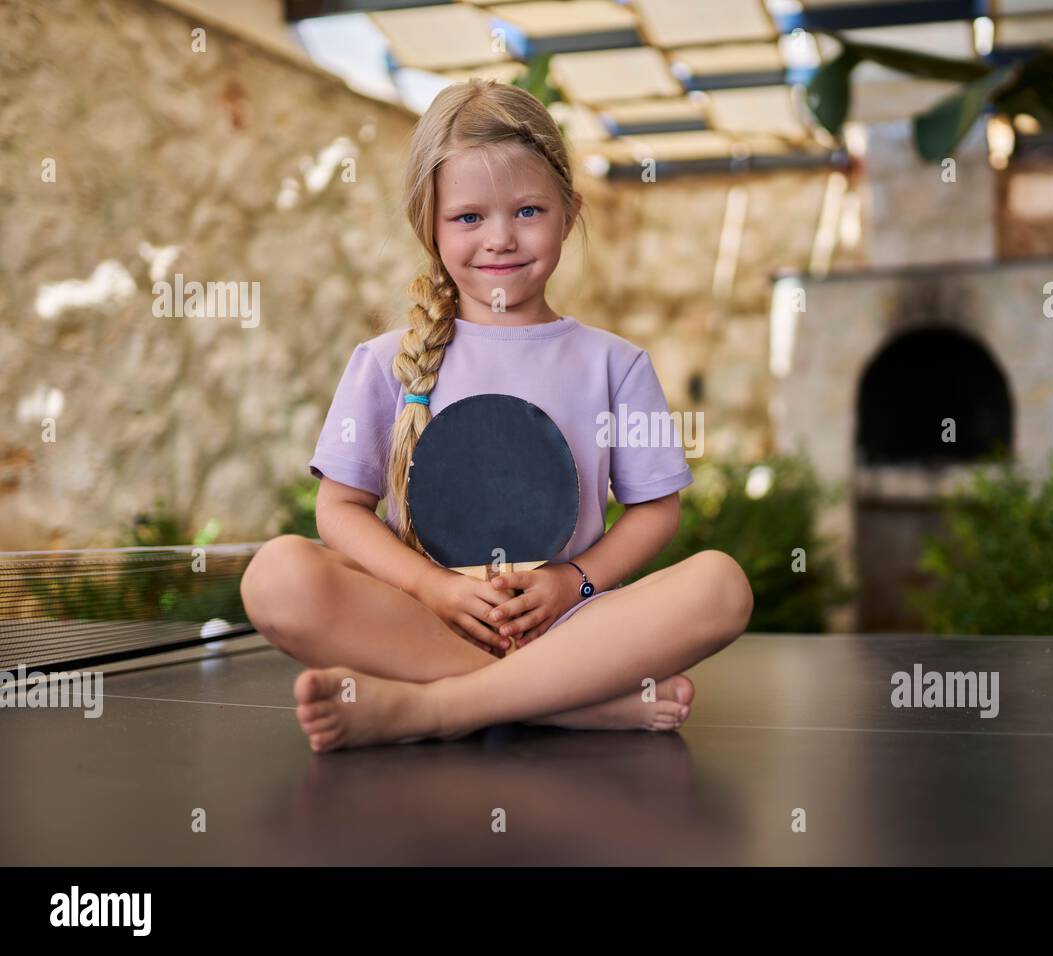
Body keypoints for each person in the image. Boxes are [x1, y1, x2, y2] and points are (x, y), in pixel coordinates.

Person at [239, 78, 753, 752]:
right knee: (277, 576)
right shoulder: (384, 361)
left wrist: (573, 584)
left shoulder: (616, 364)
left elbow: (658, 510)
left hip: (572, 631)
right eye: (469, 217)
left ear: (570, 212)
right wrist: (430, 590)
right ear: (429, 221)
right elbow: (337, 510)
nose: (501, 239)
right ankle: (566, 705)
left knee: (721, 586)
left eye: (529, 211)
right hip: (420, 626)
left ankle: (439, 708)